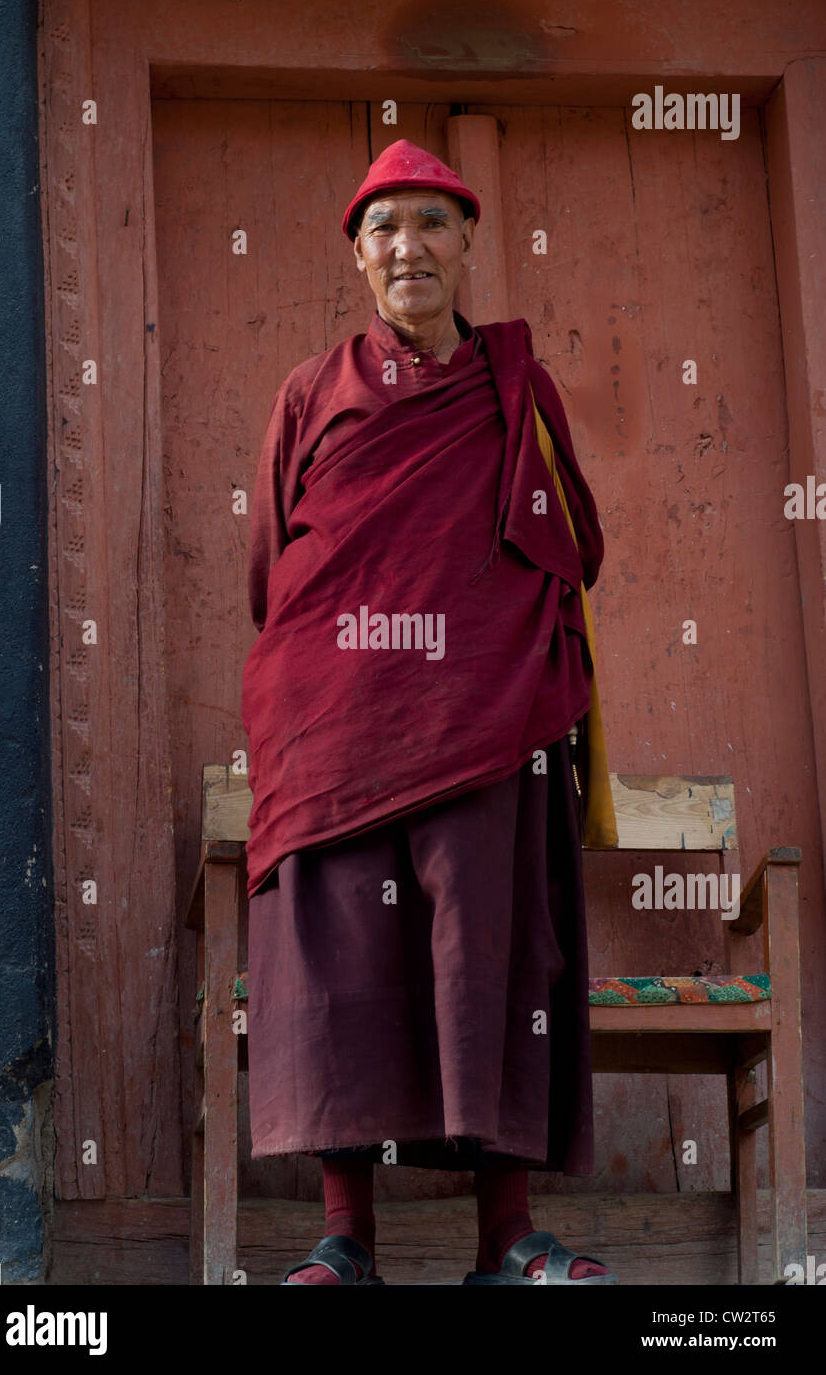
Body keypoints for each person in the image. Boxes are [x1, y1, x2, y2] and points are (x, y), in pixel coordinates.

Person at [241, 139, 618, 1285]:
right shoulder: (311, 391)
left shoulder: (517, 385)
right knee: (342, 962)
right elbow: (273, 571)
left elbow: (574, 546)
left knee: (492, 958)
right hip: (340, 727)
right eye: (385, 227)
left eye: (433, 223)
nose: (410, 246)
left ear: (468, 241)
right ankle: (344, 1241)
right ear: (359, 256)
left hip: (485, 716)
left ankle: (507, 1240)